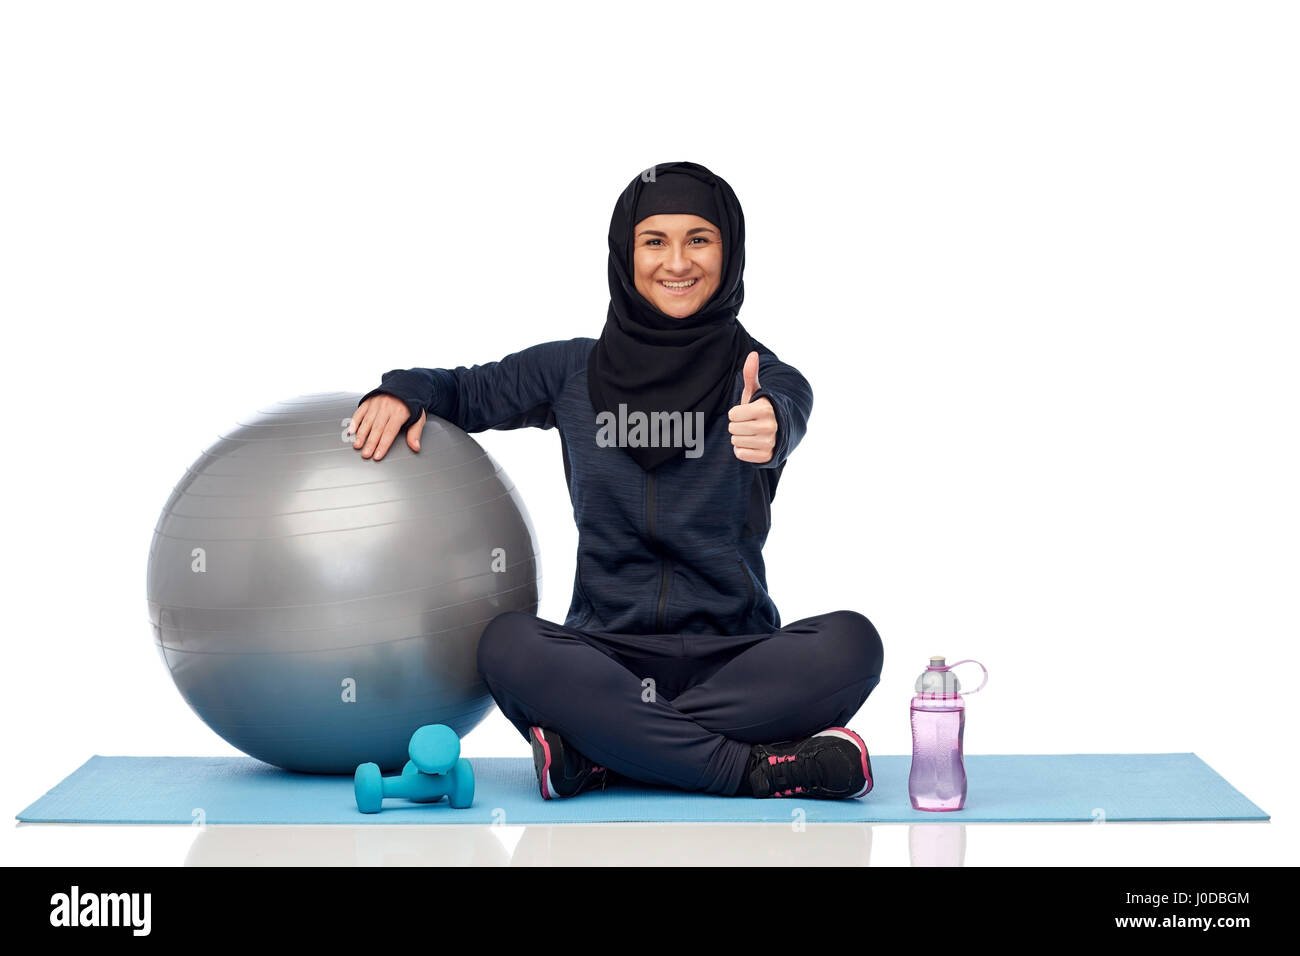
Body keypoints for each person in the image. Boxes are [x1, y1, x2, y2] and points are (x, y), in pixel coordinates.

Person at [347, 161, 884, 800]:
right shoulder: (570, 371)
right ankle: (752, 770)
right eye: (654, 241)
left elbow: (789, 406)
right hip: (601, 663)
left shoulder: (759, 377)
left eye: (700, 240)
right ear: (625, 255)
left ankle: (604, 754)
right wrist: (403, 390)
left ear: (730, 252)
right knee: (509, 645)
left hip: (740, 661)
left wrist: (771, 425)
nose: (677, 262)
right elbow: (463, 389)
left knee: (854, 642)